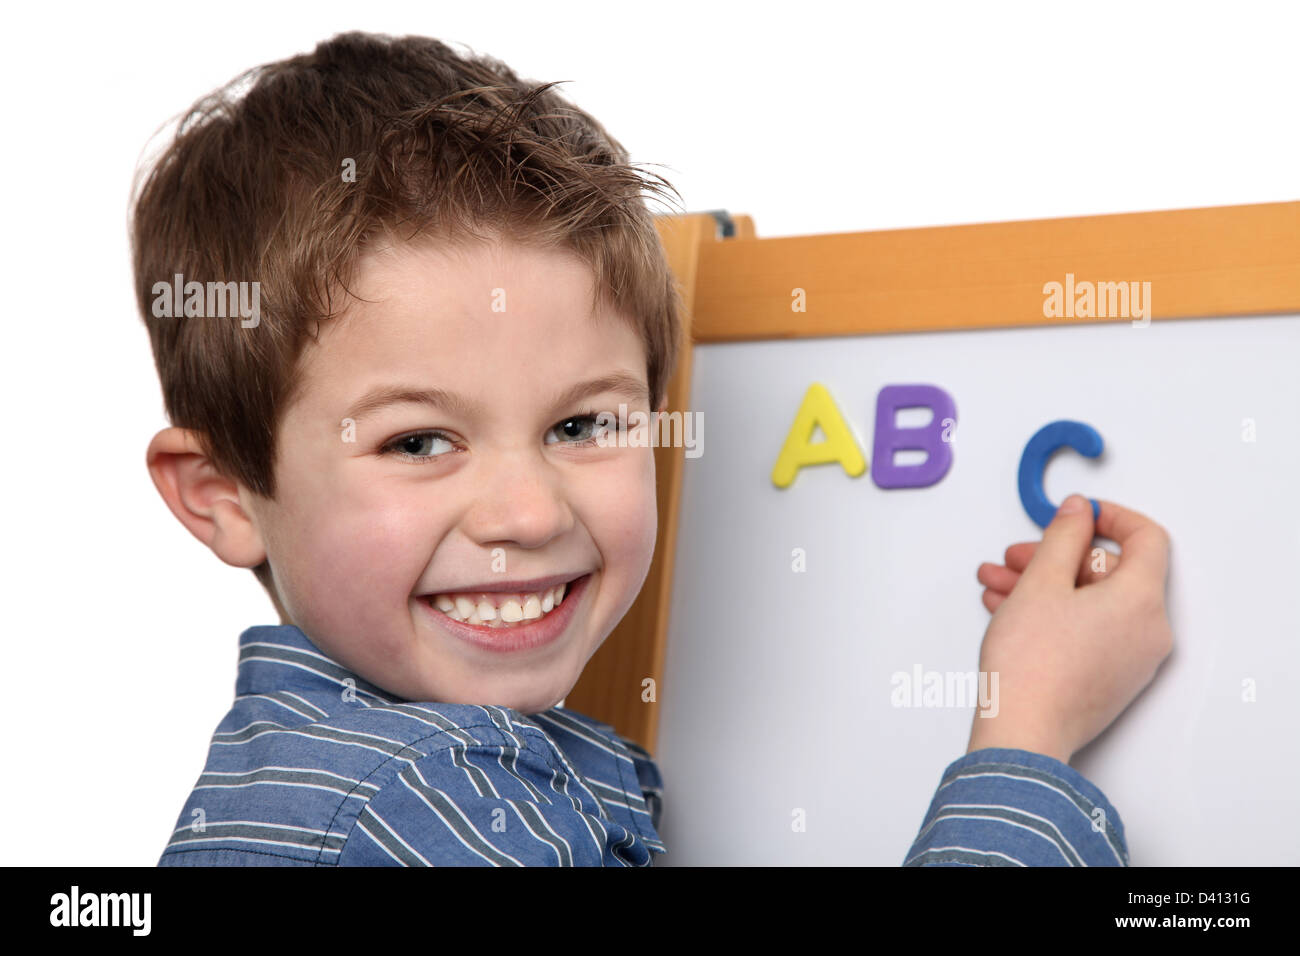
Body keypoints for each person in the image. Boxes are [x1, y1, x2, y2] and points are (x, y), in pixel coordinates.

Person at [132, 31, 1172, 866]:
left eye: (582, 424)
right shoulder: (420, 807)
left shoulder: (352, 770)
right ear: (222, 490)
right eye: (420, 440)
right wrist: (1026, 731)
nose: (529, 513)